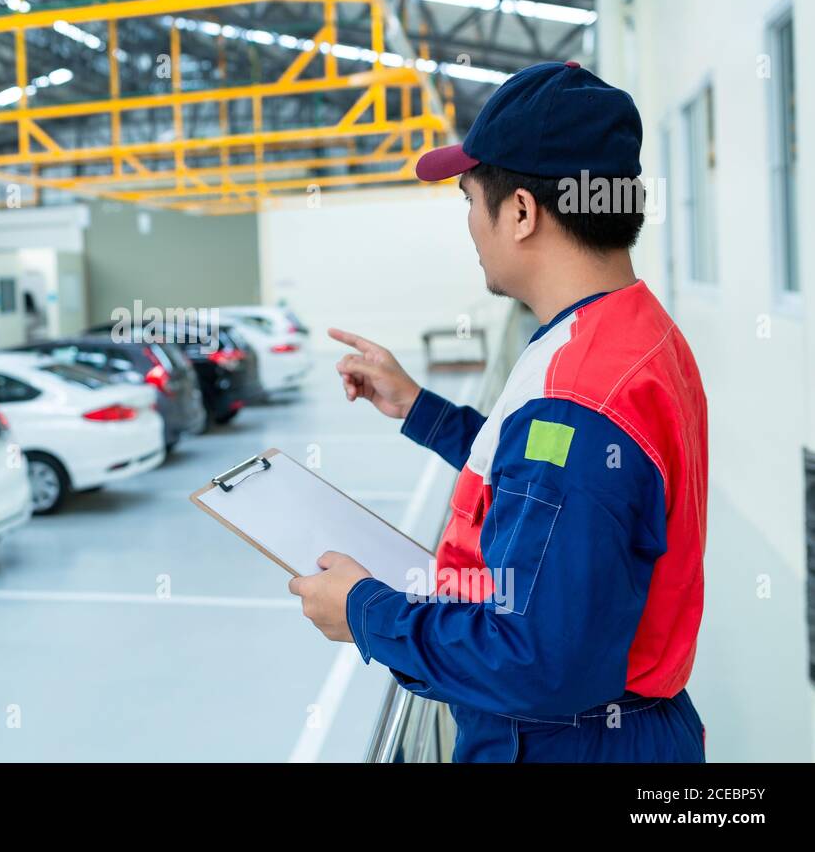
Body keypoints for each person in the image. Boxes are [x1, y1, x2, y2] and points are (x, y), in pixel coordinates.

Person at [289, 61, 709, 762]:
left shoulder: (580, 392)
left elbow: (535, 660)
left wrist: (365, 612)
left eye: (467, 201)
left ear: (519, 211)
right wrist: (421, 410)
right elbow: (547, 482)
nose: (470, 227)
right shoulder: (628, 333)